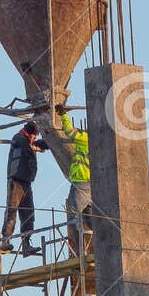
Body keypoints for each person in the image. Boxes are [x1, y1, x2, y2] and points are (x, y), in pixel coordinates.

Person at [0, 120, 46, 256]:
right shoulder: (19, 138)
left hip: (26, 182)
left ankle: (26, 243)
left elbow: (36, 145)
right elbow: (28, 151)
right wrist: (38, 147)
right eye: (34, 136)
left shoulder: (28, 140)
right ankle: (5, 241)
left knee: (28, 213)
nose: (34, 138)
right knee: (12, 211)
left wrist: (48, 144)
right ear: (29, 133)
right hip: (16, 181)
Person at [58, 107, 91, 255]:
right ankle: (101, 243)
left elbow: (69, 132)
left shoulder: (85, 138)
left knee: (73, 214)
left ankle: (80, 250)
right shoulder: (100, 141)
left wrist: (63, 115)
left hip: (81, 182)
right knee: (90, 216)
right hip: (93, 185)